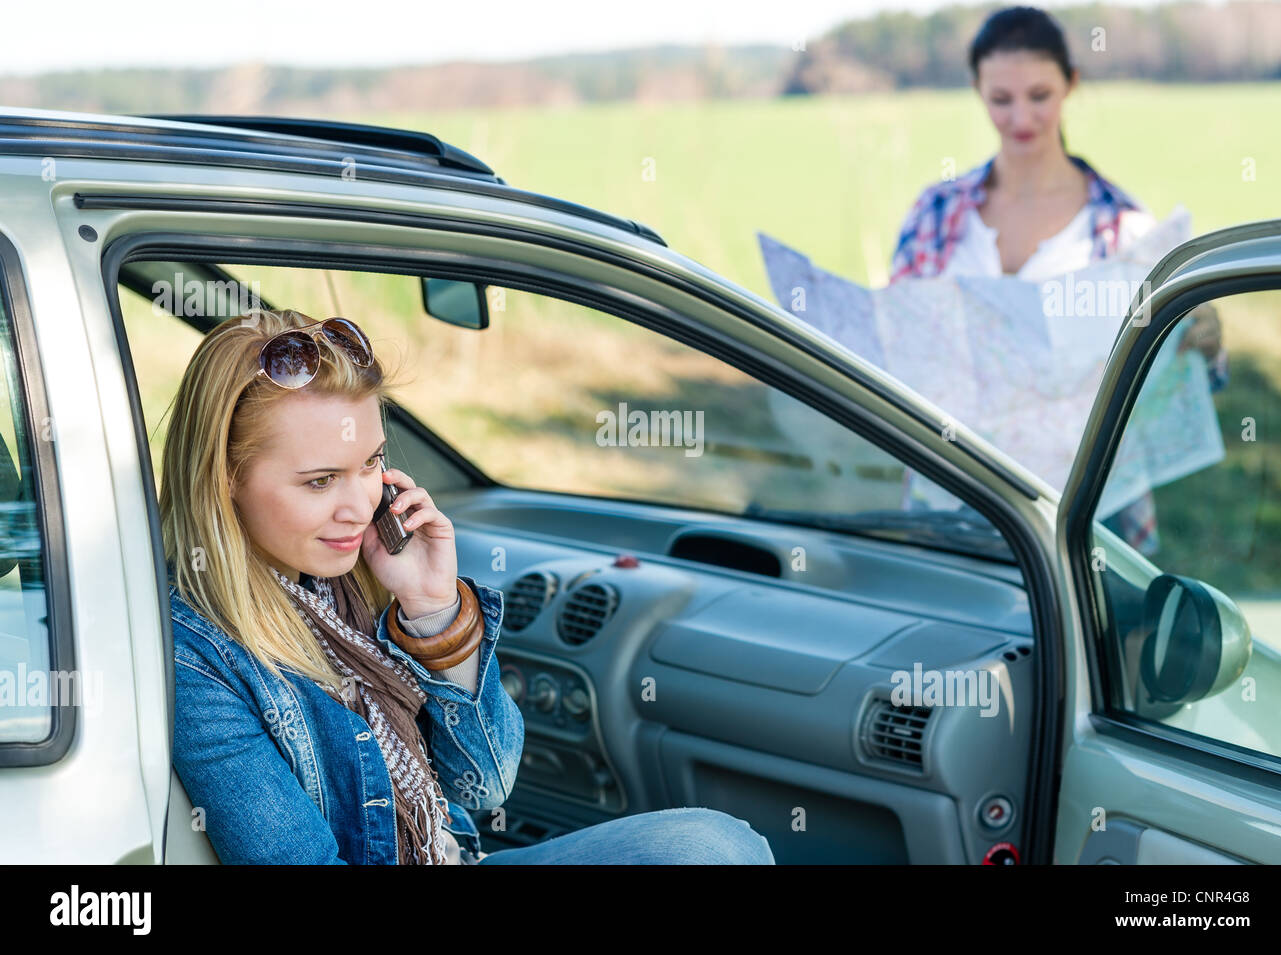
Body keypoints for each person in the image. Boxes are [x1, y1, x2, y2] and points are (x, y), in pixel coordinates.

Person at [163, 307, 774, 865]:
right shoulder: (198, 655)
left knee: (715, 849)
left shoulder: (356, 586)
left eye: (371, 463)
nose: (359, 505)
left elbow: (486, 784)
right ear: (223, 481)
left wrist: (434, 610)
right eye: (321, 481)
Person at [887, 4, 1226, 555]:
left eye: (1039, 96)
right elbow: (896, 348)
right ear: (978, 90)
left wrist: (1197, 337)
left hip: (1081, 519)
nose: (1021, 118)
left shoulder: (1124, 230)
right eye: (1001, 99)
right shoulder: (935, 214)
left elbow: (1184, 382)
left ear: (1071, 84)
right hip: (949, 498)